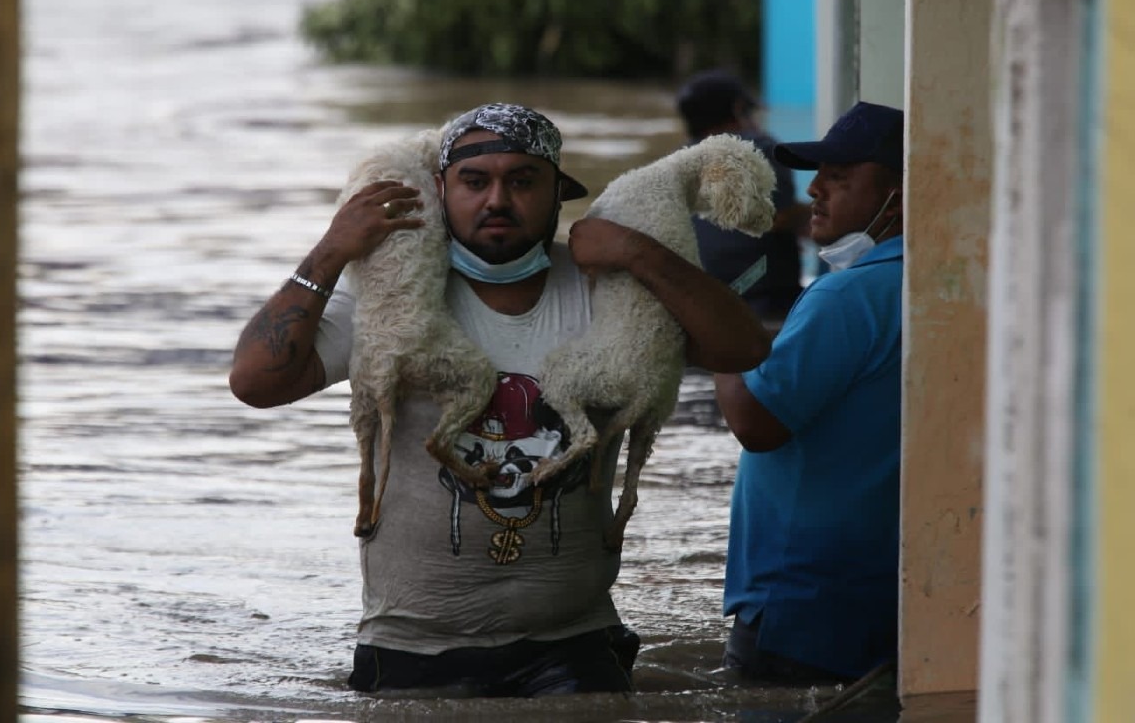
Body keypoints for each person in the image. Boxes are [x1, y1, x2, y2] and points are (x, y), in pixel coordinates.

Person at [228, 102, 771, 696]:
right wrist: (331, 251)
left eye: (522, 181)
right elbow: (256, 383)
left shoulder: (606, 293)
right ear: (440, 190)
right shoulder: (393, 303)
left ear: (558, 192)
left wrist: (639, 253)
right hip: (415, 645)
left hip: (573, 643)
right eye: (475, 181)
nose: (497, 200)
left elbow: (741, 350)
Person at [712, 101, 905, 684]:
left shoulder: (847, 296)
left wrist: (721, 336)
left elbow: (756, 423)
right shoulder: (929, 283)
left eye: (840, 178)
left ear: (899, 193)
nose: (816, 189)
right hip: (882, 600)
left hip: (799, 606)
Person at [675, 70, 812, 328]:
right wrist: (817, 213)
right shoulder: (756, 148)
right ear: (739, 110)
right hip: (759, 307)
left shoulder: (675, 162)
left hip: (693, 308)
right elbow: (774, 218)